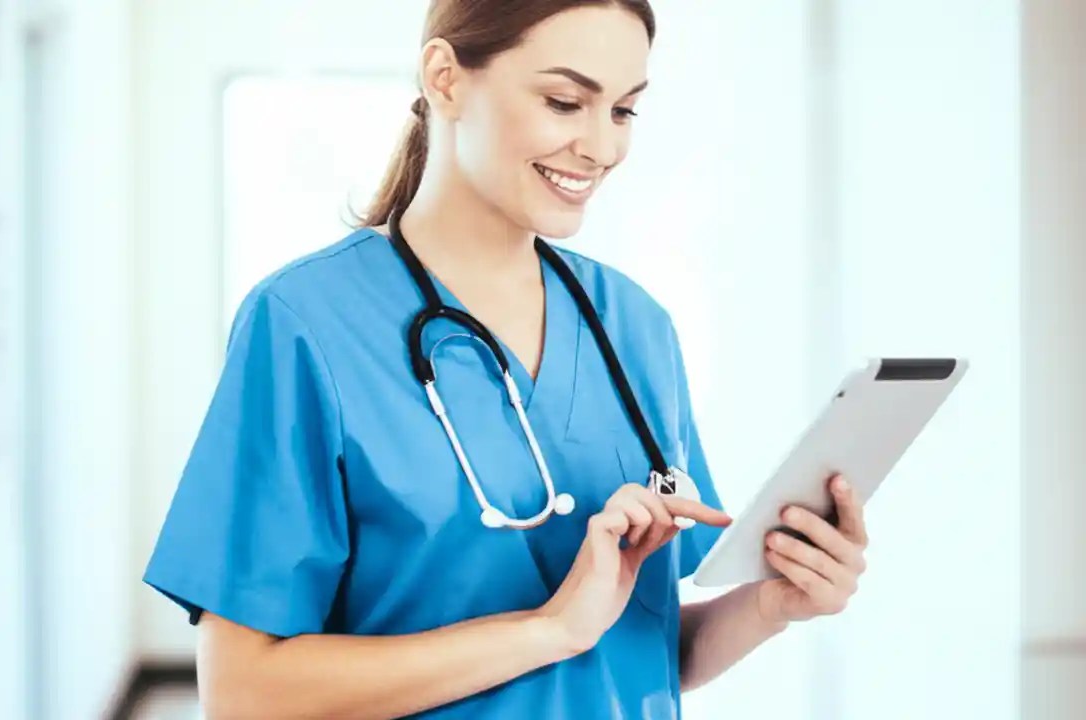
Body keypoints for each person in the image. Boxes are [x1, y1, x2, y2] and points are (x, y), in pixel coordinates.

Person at [143, 1, 871, 717]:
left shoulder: (635, 326)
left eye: (623, 110)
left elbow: (643, 649)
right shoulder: (306, 323)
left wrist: (772, 605)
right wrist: (548, 630)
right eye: (564, 102)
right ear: (445, 78)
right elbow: (245, 694)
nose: (602, 147)